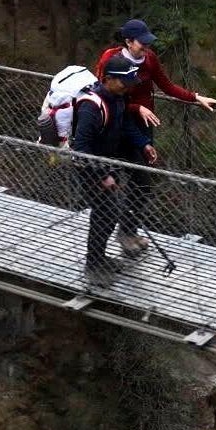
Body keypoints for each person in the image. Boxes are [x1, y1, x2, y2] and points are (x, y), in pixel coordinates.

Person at [94, 18, 216, 256]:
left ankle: (127, 231)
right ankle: (112, 239)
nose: (146, 48)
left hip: (142, 127)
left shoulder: (149, 59)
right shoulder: (111, 60)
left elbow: (167, 86)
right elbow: (104, 95)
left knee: (143, 182)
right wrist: (136, 108)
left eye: (147, 43)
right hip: (119, 124)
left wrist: (196, 97)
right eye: (142, 44)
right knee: (125, 178)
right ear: (128, 41)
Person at [70, 54, 157, 283]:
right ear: (108, 79)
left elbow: (125, 124)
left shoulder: (118, 97)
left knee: (109, 213)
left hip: (107, 162)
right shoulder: (91, 107)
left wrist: (143, 143)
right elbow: (81, 148)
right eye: (124, 80)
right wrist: (102, 175)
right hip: (89, 168)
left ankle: (99, 258)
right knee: (105, 214)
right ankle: (93, 265)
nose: (129, 85)